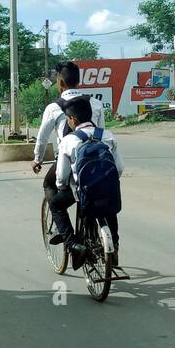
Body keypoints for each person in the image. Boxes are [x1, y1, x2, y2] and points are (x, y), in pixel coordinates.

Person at [48, 98, 123, 268]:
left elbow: (61, 176)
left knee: (56, 205)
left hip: (82, 191)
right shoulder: (107, 135)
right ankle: (115, 246)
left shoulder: (69, 140)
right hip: (108, 190)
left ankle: (74, 245)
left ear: (73, 119)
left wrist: (62, 187)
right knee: (109, 207)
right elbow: (119, 168)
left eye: (68, 119)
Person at [32, 61, 104, 201]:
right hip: (95, 159)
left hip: (67, 160)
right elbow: (101, 132)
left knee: (49, 185)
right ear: (78, 81)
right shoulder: (96, 103)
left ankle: (63, 224)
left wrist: (37, 160)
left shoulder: (53, 108)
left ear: (60, 82)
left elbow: (42, 139)